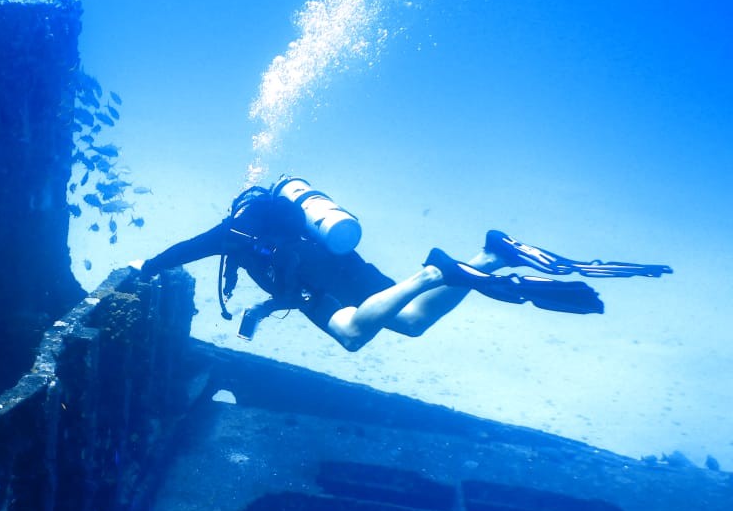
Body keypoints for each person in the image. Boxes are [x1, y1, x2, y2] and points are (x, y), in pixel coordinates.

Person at [135, 176, 671, 353]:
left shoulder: (237, 227)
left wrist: (144, 268)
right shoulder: (290, 219)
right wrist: (260, 311)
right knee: (410, 323)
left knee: (350, 334)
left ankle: (436, 271)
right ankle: (489, 255)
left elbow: (186, 251)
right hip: (343, 264)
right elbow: (279, 272)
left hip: (311, 279)